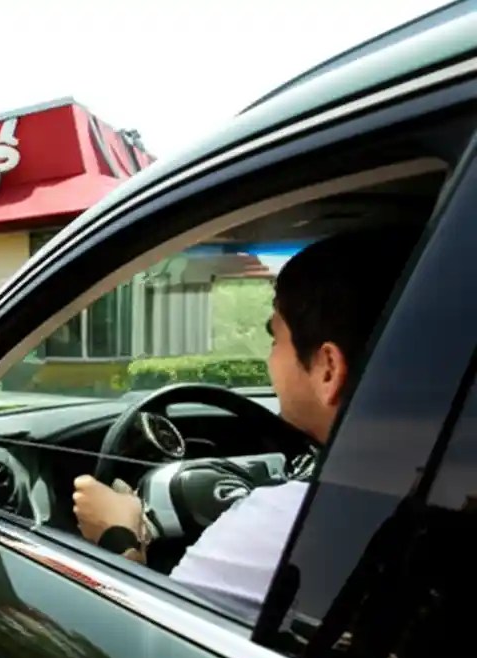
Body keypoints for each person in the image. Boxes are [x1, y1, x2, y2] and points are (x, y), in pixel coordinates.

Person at [72, 229, 415, 615]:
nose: (271, 359)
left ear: (327, 368)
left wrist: (117, 533)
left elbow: (145, 646)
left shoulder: (282, 527)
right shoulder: (434, 492)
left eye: (275, 340)